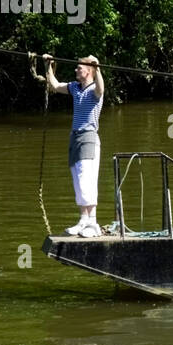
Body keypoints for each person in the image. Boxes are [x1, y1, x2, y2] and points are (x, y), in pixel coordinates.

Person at [39, 54, 105, 237]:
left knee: (86, 179)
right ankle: (83, 220)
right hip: (74, 138)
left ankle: (93, 223)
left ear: (89, 71)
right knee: (77, 179)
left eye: (79, 68)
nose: (76, 69)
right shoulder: (75, 87)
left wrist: (97, 66)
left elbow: (101, 88)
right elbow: (55, 86)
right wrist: (48, 66)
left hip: (88, 137)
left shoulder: (94, 90)